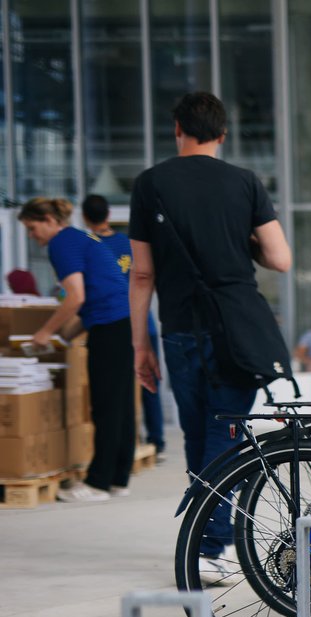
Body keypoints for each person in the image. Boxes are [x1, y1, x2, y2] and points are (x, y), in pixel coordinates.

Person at [128, 91, 291, 582]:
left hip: (179, 328)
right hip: (234, 330)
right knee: (225, 434)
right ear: (222, 135)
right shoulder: (244, 183)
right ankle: (211, 546)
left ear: (178, 128)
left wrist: (141, 346)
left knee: (200, 436)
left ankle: (208, 540)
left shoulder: (149, 184)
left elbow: (141, 275)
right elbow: (280, 259)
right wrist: (241, 246)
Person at [18, 197, 135, 502]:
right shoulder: (81, 238)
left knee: (106, 405)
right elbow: (96, 297)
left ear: (47, 219)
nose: (33, 236)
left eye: (32, 228)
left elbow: (76, 298)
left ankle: (97, 484)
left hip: (110, 327)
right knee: (120, 405)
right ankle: (118, 479)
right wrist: (65, 337)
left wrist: (44, 333)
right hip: (122, 323)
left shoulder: (61, 243)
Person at [83, 193, 165, 461]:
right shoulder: (129, 244)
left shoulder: (89, 246)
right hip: (144, 323)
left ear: (85, 218)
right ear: (108, 215)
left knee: (117, 392)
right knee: (149, 384)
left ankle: (124, 447)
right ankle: (156, 441)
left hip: (114, 326)